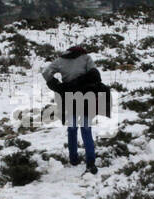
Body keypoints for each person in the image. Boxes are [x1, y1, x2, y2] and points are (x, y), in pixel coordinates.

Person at [41, 44, 107, 174]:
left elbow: (45, 72)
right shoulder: (86, 58)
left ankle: (73, 159)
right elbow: (95, 75)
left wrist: (58, 86)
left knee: (72, 129)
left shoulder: (60, 60)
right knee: (86, 129)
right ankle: (90, 162)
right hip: (87, 98)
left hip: (70, 98)